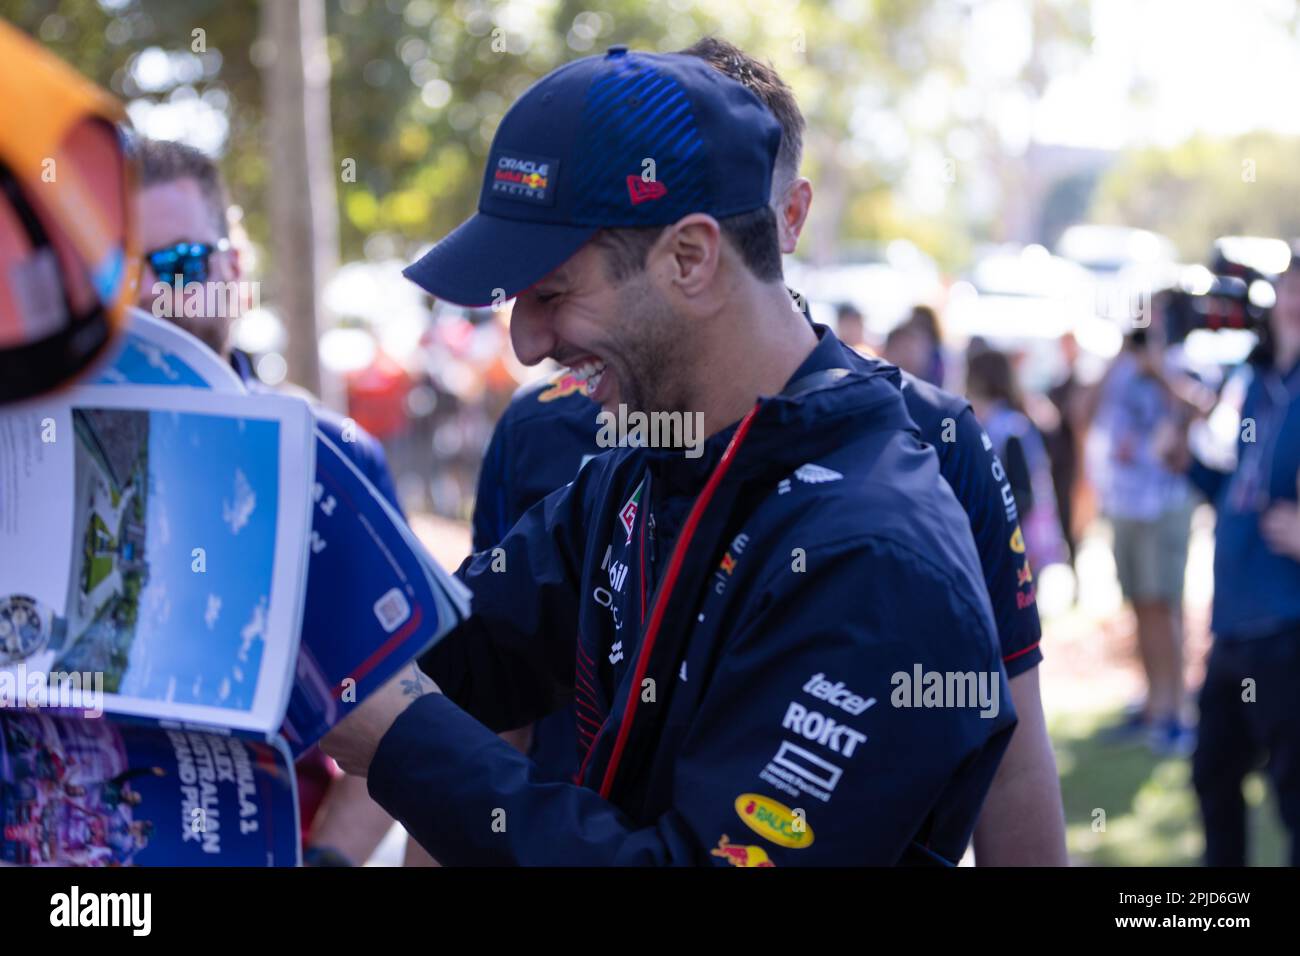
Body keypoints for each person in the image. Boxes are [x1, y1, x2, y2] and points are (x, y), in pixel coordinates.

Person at [323, 46, 1015, 866]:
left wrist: (402, 738)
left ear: (690, 256)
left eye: (551, 291)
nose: (525, 342)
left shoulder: (871, 556)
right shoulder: (649, 465)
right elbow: (458, 642)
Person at [130, 136, 399, 866]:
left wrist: (331, 860)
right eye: (121, 268)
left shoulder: (330, 457)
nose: (152, 292)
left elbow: (408, 723)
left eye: (180, 264)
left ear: (233, 267)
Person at [1186, 253, 1300, 865]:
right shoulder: (1257, 382)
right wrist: (1190, 465)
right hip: (1234, 624)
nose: (1294, 298)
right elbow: (1243, 491)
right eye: (1289, 285)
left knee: (1294, 795)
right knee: (1212, 773)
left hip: (1288, 625)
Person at [1085, 300, 1196, 755]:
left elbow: (1200, 409)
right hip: (1125, 504)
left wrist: (1160, 372)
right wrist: (1116, 358)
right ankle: (1152, 703)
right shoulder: (1118, 367)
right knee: (1139, 605)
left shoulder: (1179, 361)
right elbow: (1083, 411)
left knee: (1163, 605)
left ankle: (1176, 711)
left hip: (1164, 503)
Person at [966, 347, 1067, 577]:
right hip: (1008, 539)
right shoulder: (999, 421)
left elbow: (1022, 492)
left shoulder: (1008, 426)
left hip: (1015, 541)